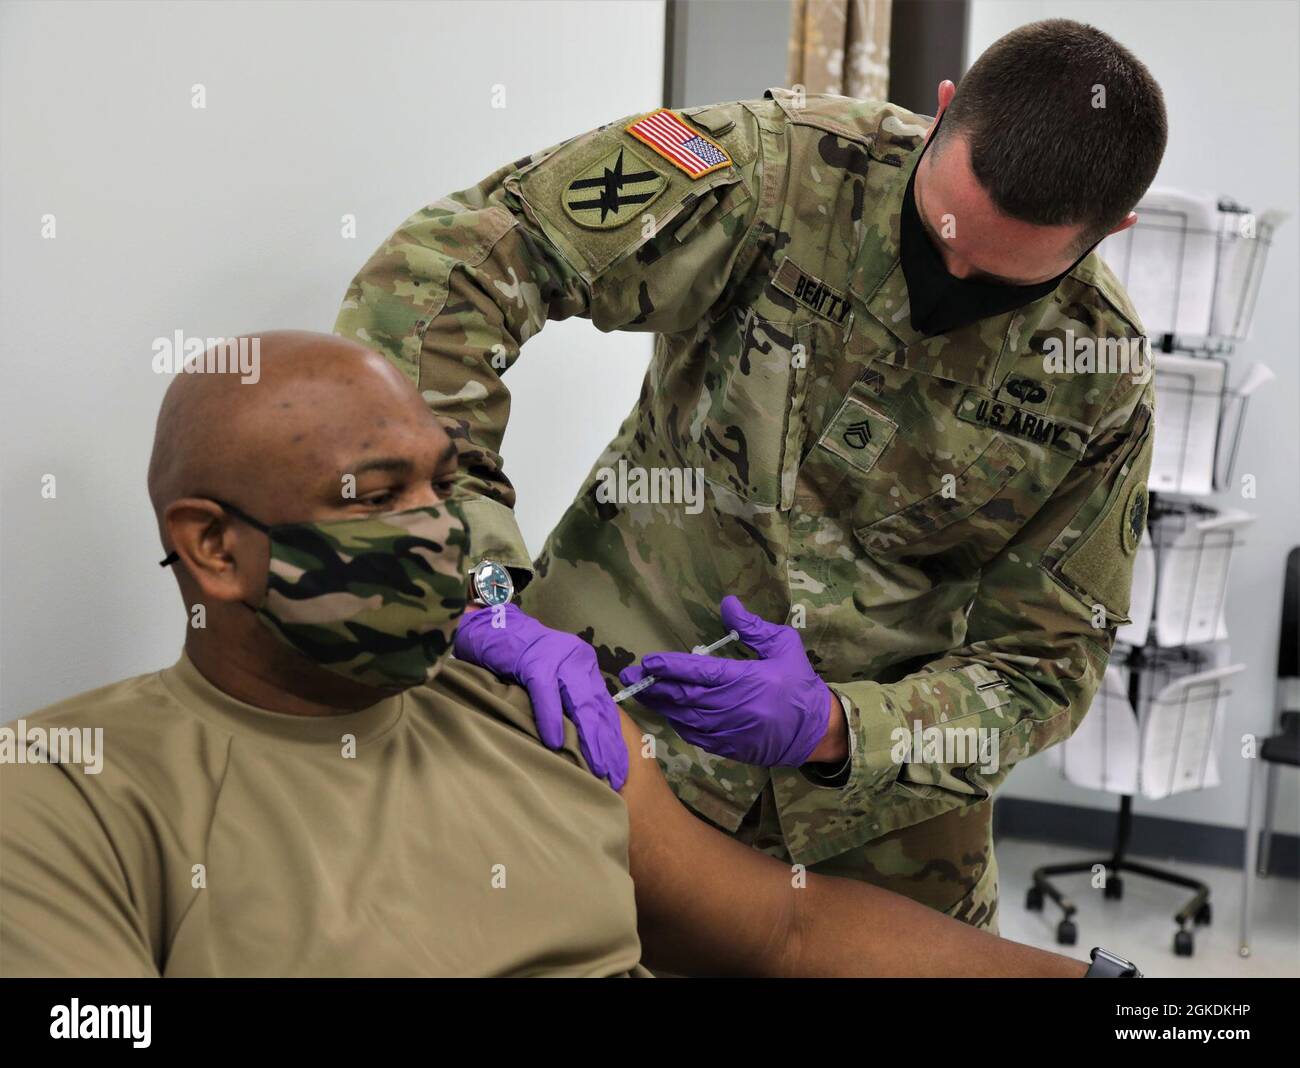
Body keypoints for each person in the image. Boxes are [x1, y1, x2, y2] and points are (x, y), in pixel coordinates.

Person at [334, 18, 1164, 929]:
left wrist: (838, 728)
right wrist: (479, 582)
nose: (952, 278)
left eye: (996, 283)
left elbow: (1045, 667)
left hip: (862, 824)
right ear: (942, 113)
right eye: (938, 238)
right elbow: (444, 274)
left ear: (1113, 230)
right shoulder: (774, 172)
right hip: (593, 714)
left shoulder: (1100, 379)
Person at [0, 332, 1112, 978]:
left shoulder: (525, 709)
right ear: (212, 546)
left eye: (442, 484)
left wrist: (1135, 996)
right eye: (380, 498)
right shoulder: (68, 790)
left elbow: (788, 923)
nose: (442, 530)